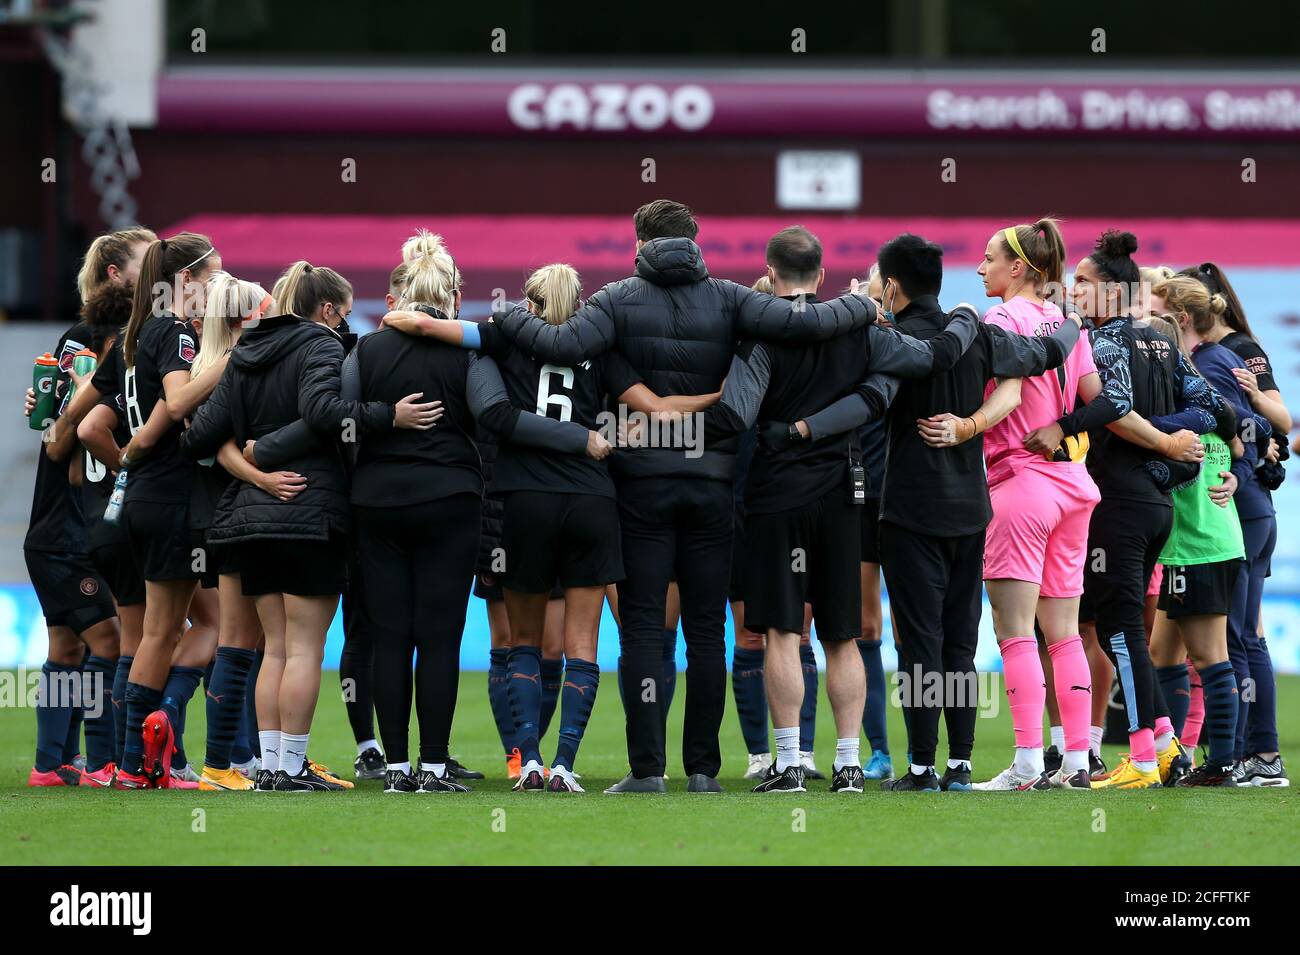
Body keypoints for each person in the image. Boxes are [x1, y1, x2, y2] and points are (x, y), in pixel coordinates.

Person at [487, 200, 878, 792]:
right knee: (704, 631)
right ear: (695, 240)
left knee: (645, 629)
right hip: (712, 483)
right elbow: (801, 324)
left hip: (640, 482)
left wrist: (497, 320)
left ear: (639, 242)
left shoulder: (615, 299)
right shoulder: (729, 298)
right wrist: (860, 303)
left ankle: (647, 771)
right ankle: (703, 770)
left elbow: (564, 346)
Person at [383, 254, 719, 790]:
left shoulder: (505, 337)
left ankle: (529, 761)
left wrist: (400, 318)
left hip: (524, 500)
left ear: (532, 302)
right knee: (584, 644)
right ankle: (565, 764)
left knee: (525, 642)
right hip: (590, 500)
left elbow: (428, 325)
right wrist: (721, 396)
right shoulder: (599, 350)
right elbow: (657, 407)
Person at [700, 226, 993, 793]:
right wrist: (963, 318)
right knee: (842, 634)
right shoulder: (861, 331)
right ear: (823, 271)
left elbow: (735, 413)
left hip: (776, 495)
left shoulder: (758, 334)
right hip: (844, 495)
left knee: (784, 633)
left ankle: (788, 764)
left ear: (769, 267)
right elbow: (899, 381)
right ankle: (851, 764)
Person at [183, 262, 436, 791]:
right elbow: (324, 412)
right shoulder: (321, 345)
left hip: (249, 522)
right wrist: (388, 415)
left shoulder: (244, 352)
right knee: (302, 649)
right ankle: (290, 765)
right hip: (308, 510)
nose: (347, 324)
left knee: (272, 648)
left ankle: (272, 767)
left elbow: (200, 436)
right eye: (343, 313)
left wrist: (252, 460)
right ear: (326, 311)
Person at [870, 233, 1085, 793]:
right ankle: (961, 765)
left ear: (891, 286)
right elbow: (1047, 356)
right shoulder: (982, 336)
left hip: (912, 510)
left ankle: (921, 767)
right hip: (972, 507)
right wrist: (1069, 320)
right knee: (961, 642)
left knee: (920, 641)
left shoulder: (891, 341)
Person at [1039, 231, 1224, 790]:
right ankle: (1167, 748)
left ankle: (1142, 760)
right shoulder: (1161, 341)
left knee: (1119, 630)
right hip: (1153, 500)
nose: (1073, 292)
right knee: (1121, 630)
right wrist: (1164, 450)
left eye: (1084, 285)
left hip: (1117, 502)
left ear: (1114, 293)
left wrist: (1066, 428)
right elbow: (1209, 407)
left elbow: (1115, 405)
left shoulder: (1103, 342)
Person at [22, 228, 154, 786]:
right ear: (115, 274)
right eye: (147, 262)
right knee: (109, 639)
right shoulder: (90, 337)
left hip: (74, 520)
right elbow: (57, 437)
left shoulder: (140, 336)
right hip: (68, 521)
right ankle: (98, 757)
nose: (159, 272)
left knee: (67, 644)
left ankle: (53, 762)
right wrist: (54, 413)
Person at [1178, 263, 1289, 787]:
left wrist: (1238, 473)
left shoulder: (1225, 356)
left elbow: (1265, 425)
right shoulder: (1221, 354)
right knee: (1248, 636)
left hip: (1243, 511)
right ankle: (1258, 754)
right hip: (1250, 508)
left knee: (1239, 638)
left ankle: (1248, 756)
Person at [1141, 311, 1247, 786]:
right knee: (1162, 654)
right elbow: (1248, 441)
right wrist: (1236, 472)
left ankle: (1223, 761)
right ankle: (1178, 754)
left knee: (1209, 657)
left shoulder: (1181, 419)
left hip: (1198, 548)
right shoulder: (1210, 404)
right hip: (1206, 544)